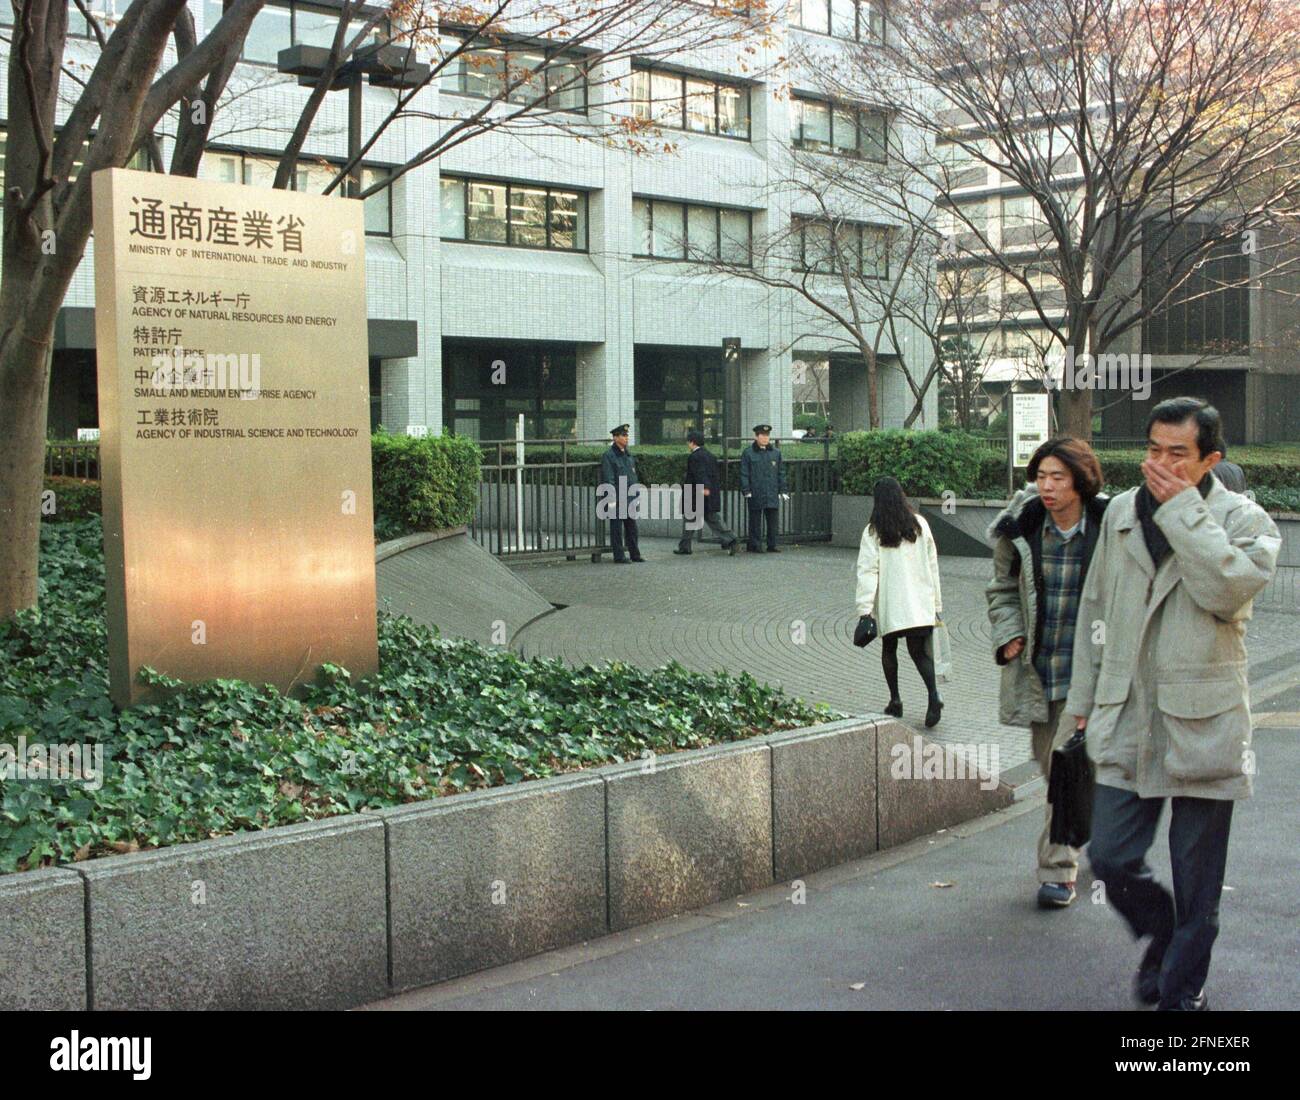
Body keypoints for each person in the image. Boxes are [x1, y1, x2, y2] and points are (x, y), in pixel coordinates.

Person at [1067, 397, 1280, 1011]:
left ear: (1210, 458)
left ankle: (1182, 996)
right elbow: (1096, 610)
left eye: (1177, 454)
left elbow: (1226, 591)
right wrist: (1083, 699)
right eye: (1153, 449)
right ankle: (1163, 934)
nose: (1159, 464)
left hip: (1206, 724)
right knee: (1108, 855)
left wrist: (1184, 509)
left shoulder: (1246, 521)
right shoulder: (1123, 514)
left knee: (1197, 884)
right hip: (1127, 712)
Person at [987, 436, 1109, 910]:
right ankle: (1087, 829)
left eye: (1058, 477)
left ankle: (1057, 869)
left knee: (1064, 772)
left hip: (1091, 673)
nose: (1048, 486)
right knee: (1052, 765)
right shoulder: (1022, 529)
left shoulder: (1108, 528)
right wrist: (1009, 633)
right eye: (1041, 477)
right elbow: (999, 590)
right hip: (1040, 672)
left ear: (1081, 482)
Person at [855, 476, 944, 728]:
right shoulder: (920, 525)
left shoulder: (874, 531)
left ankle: (895, 701)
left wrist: (865, 610)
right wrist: (937, 604)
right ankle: (934, 695)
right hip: (920, 603)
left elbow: (867, 571)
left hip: (892, 604)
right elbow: (932, 564)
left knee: (889, 650)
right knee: (919, 653)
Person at [674, 430, 737, 555]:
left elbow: (700, 474)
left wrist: (703, 488)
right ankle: (730, 539)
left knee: (691, 520)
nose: (688, 445)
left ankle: (685, 547)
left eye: (688, 442)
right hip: (707, 493)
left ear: (692, 442)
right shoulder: (710, 455)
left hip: (696, 493)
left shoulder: (695, 457)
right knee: (713, 520)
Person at [600, 423, 645, 564]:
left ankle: (634, 554)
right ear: (615, 437)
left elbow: (633, 476)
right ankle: (619, 556)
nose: (626, 438)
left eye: (627, 435)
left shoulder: (628, 455)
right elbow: (609, 478)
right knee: (616, 529)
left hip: (630, 497)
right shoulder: (609, 456)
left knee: (632, 528)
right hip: (617, 498)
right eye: (623, 435)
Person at [740, 423, 788, 553]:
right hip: (756, 491)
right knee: (755, 520)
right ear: (756, 436)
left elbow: (781, 472)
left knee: (773, 520)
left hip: (771, 491)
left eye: (767, 435)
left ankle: (772, 544)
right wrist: (746, 490)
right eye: (762, 435)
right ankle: (755, 545)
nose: (765, 438)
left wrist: (783, 490)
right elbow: (744, 473)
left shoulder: (775, 453)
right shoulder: (748, 453)